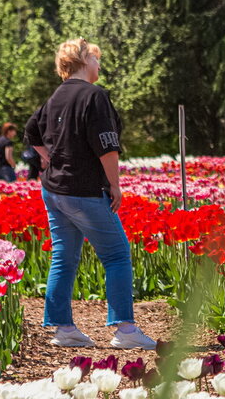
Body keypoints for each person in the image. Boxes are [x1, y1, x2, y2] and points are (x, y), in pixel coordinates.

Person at [24, 38, 157, 351]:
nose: (99, 65)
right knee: (117, 255)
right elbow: (107, 146)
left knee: (63, 257)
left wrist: (48, 157)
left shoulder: (56, 96)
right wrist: (115, 185)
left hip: (54, 189)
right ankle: (124, 328)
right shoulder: (94, 96)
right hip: (84, 190)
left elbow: (32, 129)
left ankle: (63, 327)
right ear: (84, 60)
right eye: (96, 59)